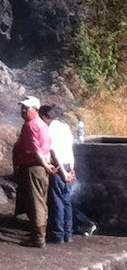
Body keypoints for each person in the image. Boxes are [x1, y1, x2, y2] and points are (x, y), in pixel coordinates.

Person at [13, 95, 55, 248]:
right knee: (41, 202)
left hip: (34, 167)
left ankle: (38, 237)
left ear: (35, 110)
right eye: (22, 108)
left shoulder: (31, 125)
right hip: (40, 167)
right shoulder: (42, 124)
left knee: (35, 202)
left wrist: (44, 164)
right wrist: (47, 164)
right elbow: (47, 146)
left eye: (26, 108)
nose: (23, 111)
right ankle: (38, 233)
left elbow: (36, 149)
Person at [38, 105, 75, 244]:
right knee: (66, 201)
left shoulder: (50, 129)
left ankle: (57, 234)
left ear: (46, 117)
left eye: (41, 117)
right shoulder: (65, 127)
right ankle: (68, 233)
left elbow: (53, 152)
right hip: (67, 165)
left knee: (57, 201)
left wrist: (63, 172)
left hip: (59, 167)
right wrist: (71, 168)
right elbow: (70, 149)